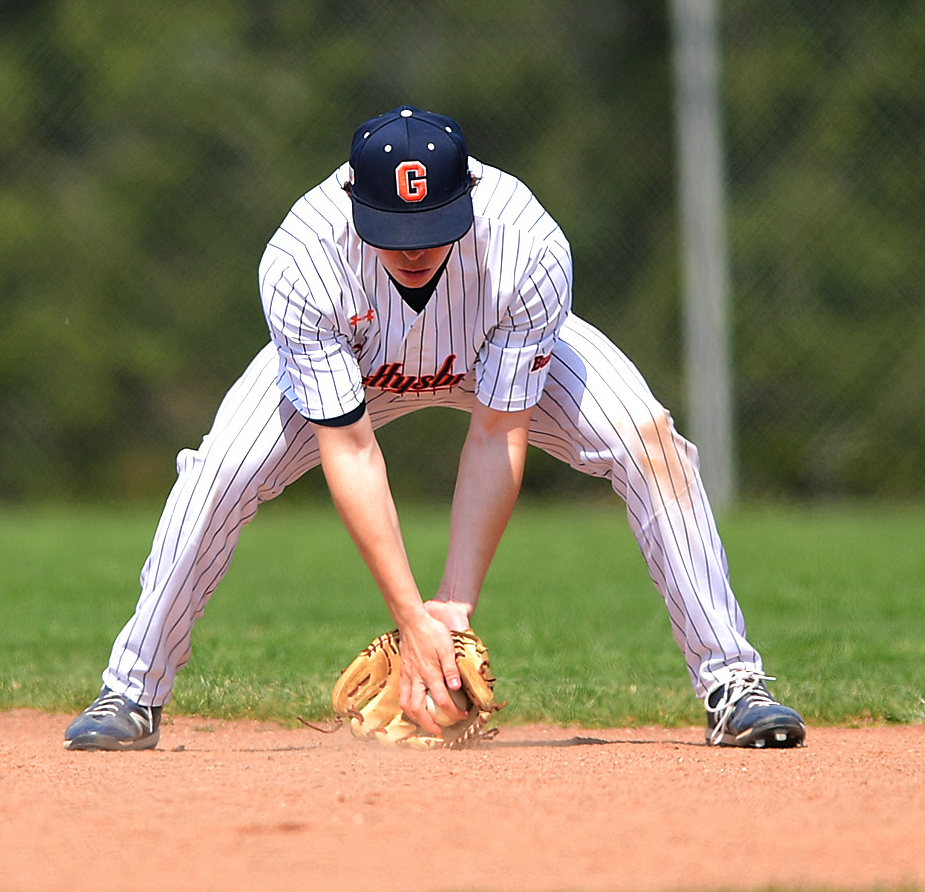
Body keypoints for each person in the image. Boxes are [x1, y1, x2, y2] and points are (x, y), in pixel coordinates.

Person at [64, 106, 804, 751]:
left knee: (653, 446)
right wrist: (408, 617)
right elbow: (351, 449)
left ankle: (732, 684)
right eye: (392, 227)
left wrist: (450, 610)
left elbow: (496, 433)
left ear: (470, 197)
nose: (414, 246)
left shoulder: (526, 247)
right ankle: (131, 690)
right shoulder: (302, 258)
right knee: (220, 473)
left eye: (433, 226)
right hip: (358, 363)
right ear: (352, 199)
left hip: (489, 345)